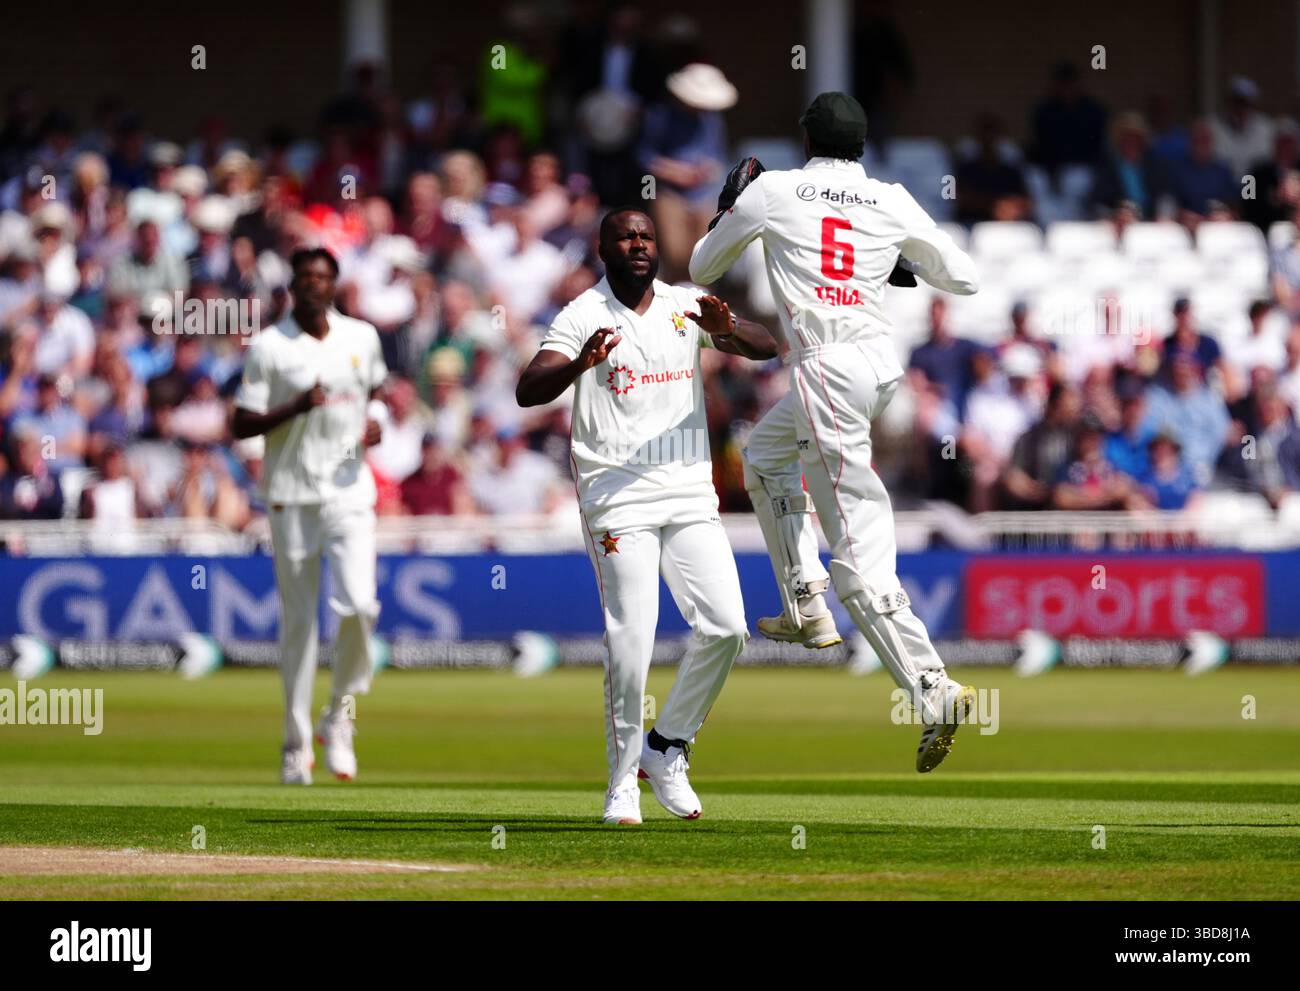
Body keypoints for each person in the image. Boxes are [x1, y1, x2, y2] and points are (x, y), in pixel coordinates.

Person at [689, 92, 980, 773]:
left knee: (857, 547)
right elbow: (961, 278)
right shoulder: (891, 197)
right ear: (862, 142)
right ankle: (805, 602)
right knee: (763, 457)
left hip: (825, 367)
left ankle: (931, 686)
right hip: (878, 368)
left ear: (805, 137)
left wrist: (733, 204)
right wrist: (901, 263)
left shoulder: (775, 188)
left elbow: (704, 268)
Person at [516, 208, 771, 824]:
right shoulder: (583, 314)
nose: (638, 244)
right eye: (626, 236)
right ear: (603, 248)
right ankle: (621, 784)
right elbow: (529, 389)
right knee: (633, 640)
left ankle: (665, 747)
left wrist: (728, 325)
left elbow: (766, 347)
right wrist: (581, 364)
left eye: (647, 236)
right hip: (616, 495)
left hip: (687, 492)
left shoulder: (687, 304)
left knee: (728, 627)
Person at [230, 247, 388, 786]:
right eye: (305, 277)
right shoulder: (270, 346)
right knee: (299, 626)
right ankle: (296, 744)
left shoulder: (361, 337)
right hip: (291, 495)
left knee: (360, 606)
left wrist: (379, 423)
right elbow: (241, 422)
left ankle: (338, 716)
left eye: (323, 276)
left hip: (350, 490)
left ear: (334, 284)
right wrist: (293, 408)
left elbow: (380, 394)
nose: (315, 285)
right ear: (292, 287)